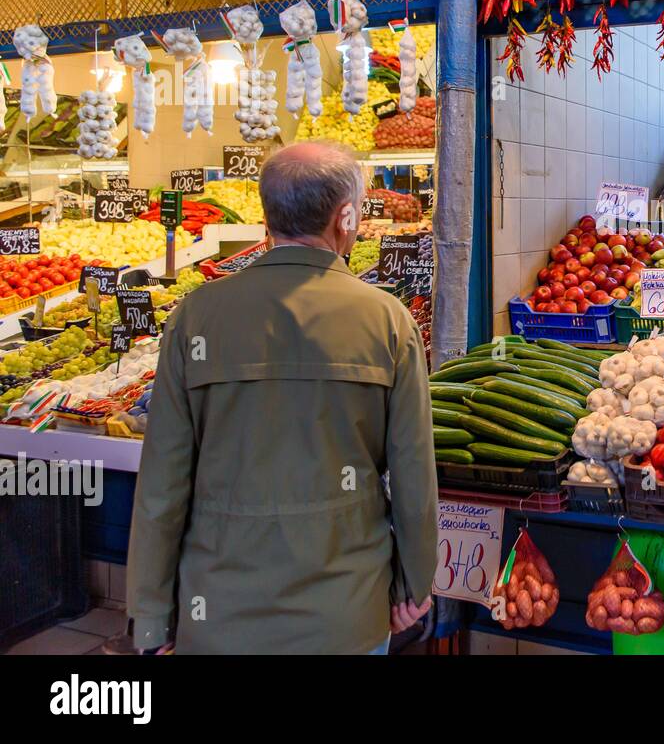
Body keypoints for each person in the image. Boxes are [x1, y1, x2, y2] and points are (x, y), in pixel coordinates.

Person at [127, 141, 437, 654]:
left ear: (266, 219)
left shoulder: (196, 316)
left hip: (219, 613)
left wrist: (152, 618)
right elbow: (413, 477)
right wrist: (413, 584)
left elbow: (162, 484)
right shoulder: (387, 321)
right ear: (347, 218)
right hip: (346, 613)